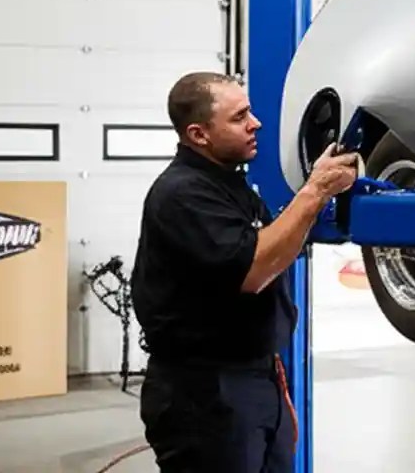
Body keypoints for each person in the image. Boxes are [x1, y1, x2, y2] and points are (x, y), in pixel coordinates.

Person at [131, 71, 359, 472]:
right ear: (199, 135)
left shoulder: (230, 186)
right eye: (239, 118)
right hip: (204, 392)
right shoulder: (182, 194)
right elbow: (253, 270)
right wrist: (315, 191)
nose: (255, 124)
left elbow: (271, 244)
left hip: (255, 381)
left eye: (249, 112)